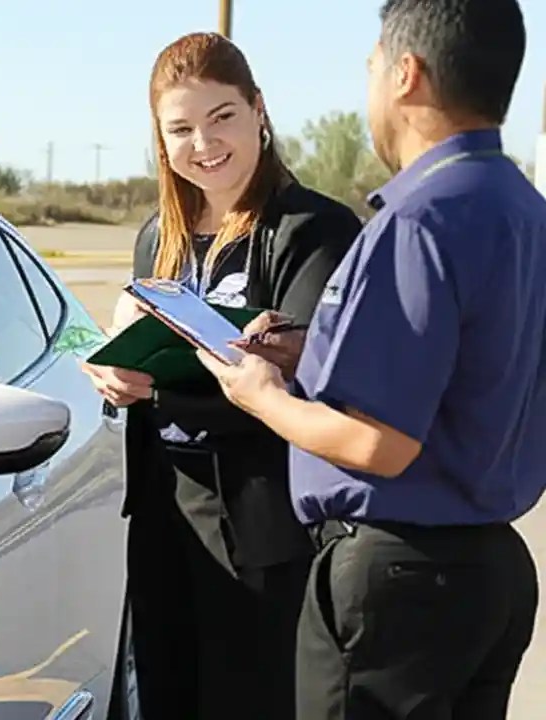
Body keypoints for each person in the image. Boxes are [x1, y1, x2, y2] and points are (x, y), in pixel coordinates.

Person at [197, 1, 545, 717]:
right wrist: (311, 354)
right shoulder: (521, 208)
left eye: (372, 66)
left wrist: (261, 394)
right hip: (490, 574)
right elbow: (474, 371)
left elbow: (378, 443)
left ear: (407, 75)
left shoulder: (420, 220)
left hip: (397, 585)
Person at [82, 32, 363, 719]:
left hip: (264, 530)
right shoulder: (158, 236)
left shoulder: (314, 231)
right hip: (164, 514)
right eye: (180, 128)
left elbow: (300, 381)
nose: (203, 143)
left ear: (259, 110)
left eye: (222, 117)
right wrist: (116, 376)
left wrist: (167, 384)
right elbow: (144, 347)